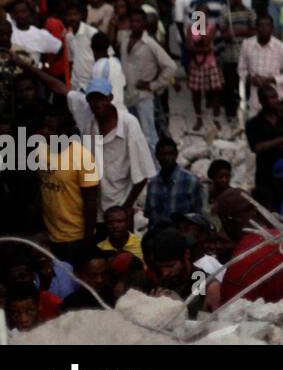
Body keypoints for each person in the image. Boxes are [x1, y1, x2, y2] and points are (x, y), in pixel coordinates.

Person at [67, 76, 157, 217]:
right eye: (92, 99)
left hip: (121, 207)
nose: (96, 103)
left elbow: (144, 171)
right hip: (96, 208)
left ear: (110, 98)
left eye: (101, 98)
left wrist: (127, 206)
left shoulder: (129, 123)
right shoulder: (90, 126)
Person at [37, 104, 100, 262]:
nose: (45, 132)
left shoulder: (83, 157)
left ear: (66, 132)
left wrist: (87, 240)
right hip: (49, 235)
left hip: (74, 238)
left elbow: (91, 201)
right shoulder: (41, 150)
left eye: (51, 129)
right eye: (44, 127)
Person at [117, 7, 177, 150]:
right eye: (132, 21)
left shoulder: (150, 43)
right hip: (128, 96)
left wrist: (153, 85)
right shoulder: (125, 41)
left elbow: (171, 66)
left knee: (149, 135)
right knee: (132, 135)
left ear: (144, 23)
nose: (135, 24)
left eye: (138, 21)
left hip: (144, 96)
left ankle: (155, 168)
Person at [244, 85, 283, 208]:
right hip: (265, 175)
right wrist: (280, 140)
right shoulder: (253, 123)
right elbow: (256, 148)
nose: (271, 101)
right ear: (260, 101)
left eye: (274, 97)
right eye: (267, 98)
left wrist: (268, 146)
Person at [143, 136, 205, 229]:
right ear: (156, 156)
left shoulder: (191, 181)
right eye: (162, 154)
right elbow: (149, 215)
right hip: (158, 238)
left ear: (176, 155)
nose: (167, 158)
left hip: (183, 238)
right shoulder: (152, 184)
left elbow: (198, 214)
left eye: (170, 154)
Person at [237, 12, 283, 110]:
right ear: (256, 28)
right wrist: (251, 79)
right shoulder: (247, 44)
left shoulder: (281, 47)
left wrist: (270, 80)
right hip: (255, 99)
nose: (264, 28)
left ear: (272, 28)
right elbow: (241, 69)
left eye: (268, 25)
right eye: (261, 25)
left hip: (277, 99)